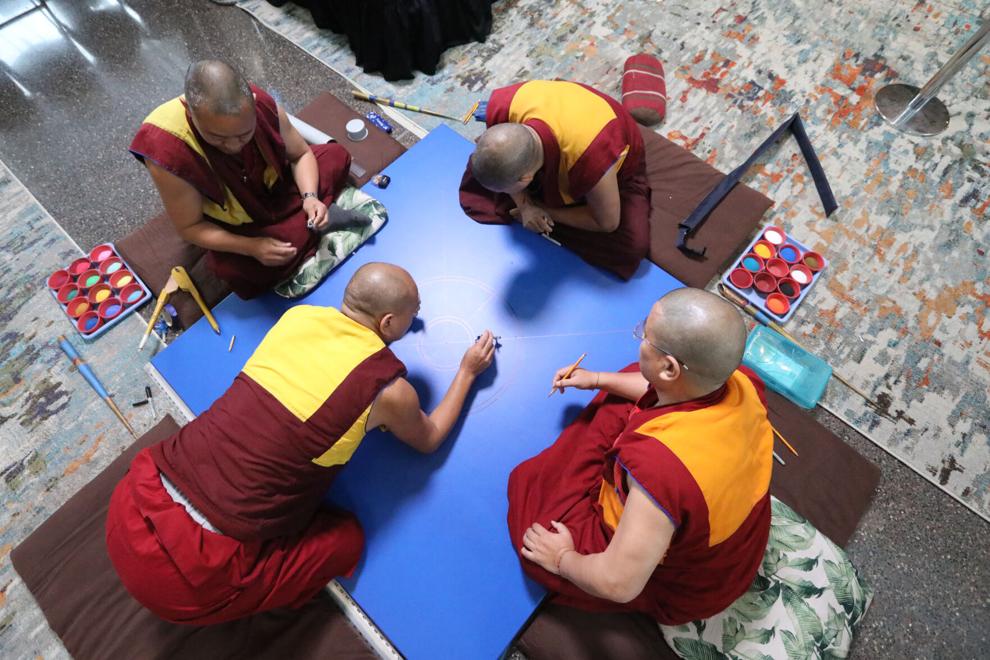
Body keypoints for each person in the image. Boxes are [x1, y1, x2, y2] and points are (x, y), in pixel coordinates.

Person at [106, 263, 495, 624]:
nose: (417, 319)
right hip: (187, 577)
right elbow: (428, 440)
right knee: (346, 539)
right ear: (389, 322)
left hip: (133, 502)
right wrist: (467, 372)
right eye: (414, 313)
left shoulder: (298, 317)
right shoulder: (389, 392)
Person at [507, 288, 773, 624]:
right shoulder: (744, 383)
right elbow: (664, 388)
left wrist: (562, 557)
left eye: (645, 334)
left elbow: (618, 584)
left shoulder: (660, 473)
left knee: (533, 528)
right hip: (730, 519)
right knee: (632, 376)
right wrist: (597, 380)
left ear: (670, 368)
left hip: (692, 583)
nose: (639, 337)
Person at [130, 59, 363, 299]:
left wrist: (311, 197)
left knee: (336, 155)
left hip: (274, 190)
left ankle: (307, 222)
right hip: (237, 223)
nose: (232, 146)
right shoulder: (166, 144)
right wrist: (251, 248)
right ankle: (312, 225)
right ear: (190, 111)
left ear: (252, 105)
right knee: (235, 273)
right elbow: (190, 228)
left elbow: (301, 154)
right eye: (217, 137)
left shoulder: (260, 103)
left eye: (244, 134)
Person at [459, 80, 651, 280]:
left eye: (509, 189)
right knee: (487, 170)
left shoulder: (591, 155)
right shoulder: (507, 105)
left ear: (527, 178)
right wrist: (525, 207)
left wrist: (544, 212)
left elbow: (607, 223)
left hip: (608, 142)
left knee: (631, 247)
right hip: (561, 119)